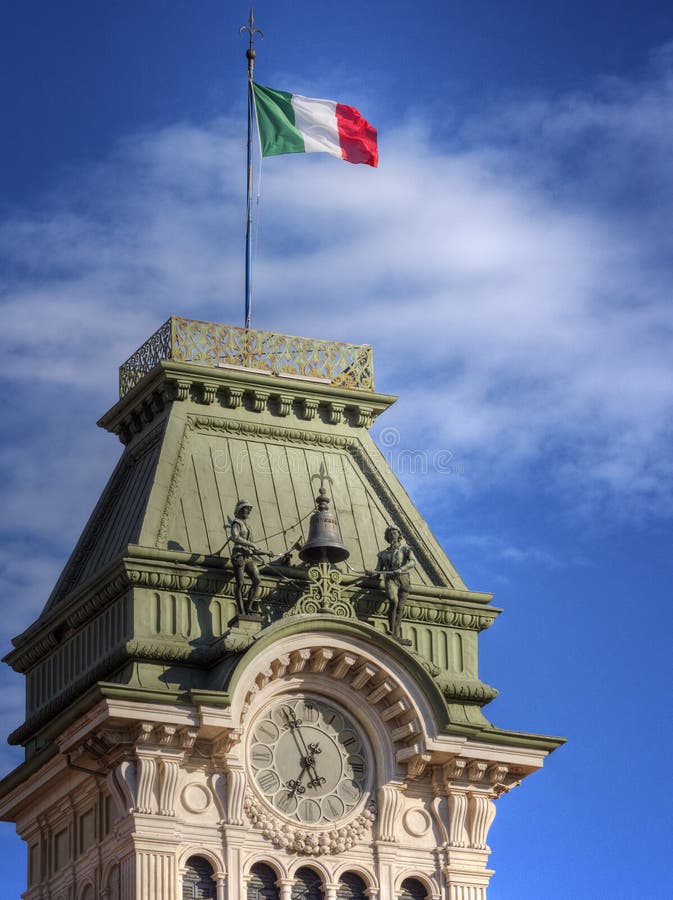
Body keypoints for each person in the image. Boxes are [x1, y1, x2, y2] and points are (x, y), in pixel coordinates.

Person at [370, 525, 416, 639]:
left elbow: (413, 562)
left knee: (400, 607)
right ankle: (391, 629)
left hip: (403, 579)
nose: (392, 535)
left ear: (399, 535)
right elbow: (378, 570)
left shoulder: (405, 549)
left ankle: (396, 633)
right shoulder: (383, 554)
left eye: (394, 533)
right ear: (387, 537)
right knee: (393, 601)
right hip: (390, 579)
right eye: (390, 534)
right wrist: (372, 573)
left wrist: (402, 569)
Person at [230, 500, 272, 616]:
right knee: (240, 583)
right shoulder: (236, 523)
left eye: (249, 509)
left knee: (257, 579)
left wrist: (266, 552)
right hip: (239, 556)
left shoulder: (248, 526)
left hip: (248, 556)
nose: (248, 511)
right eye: (246, 509)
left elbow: (254, 549)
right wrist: (252, 545)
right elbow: (235, 537)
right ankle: (241, 611)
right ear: (240, 510)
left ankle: (248, 607)